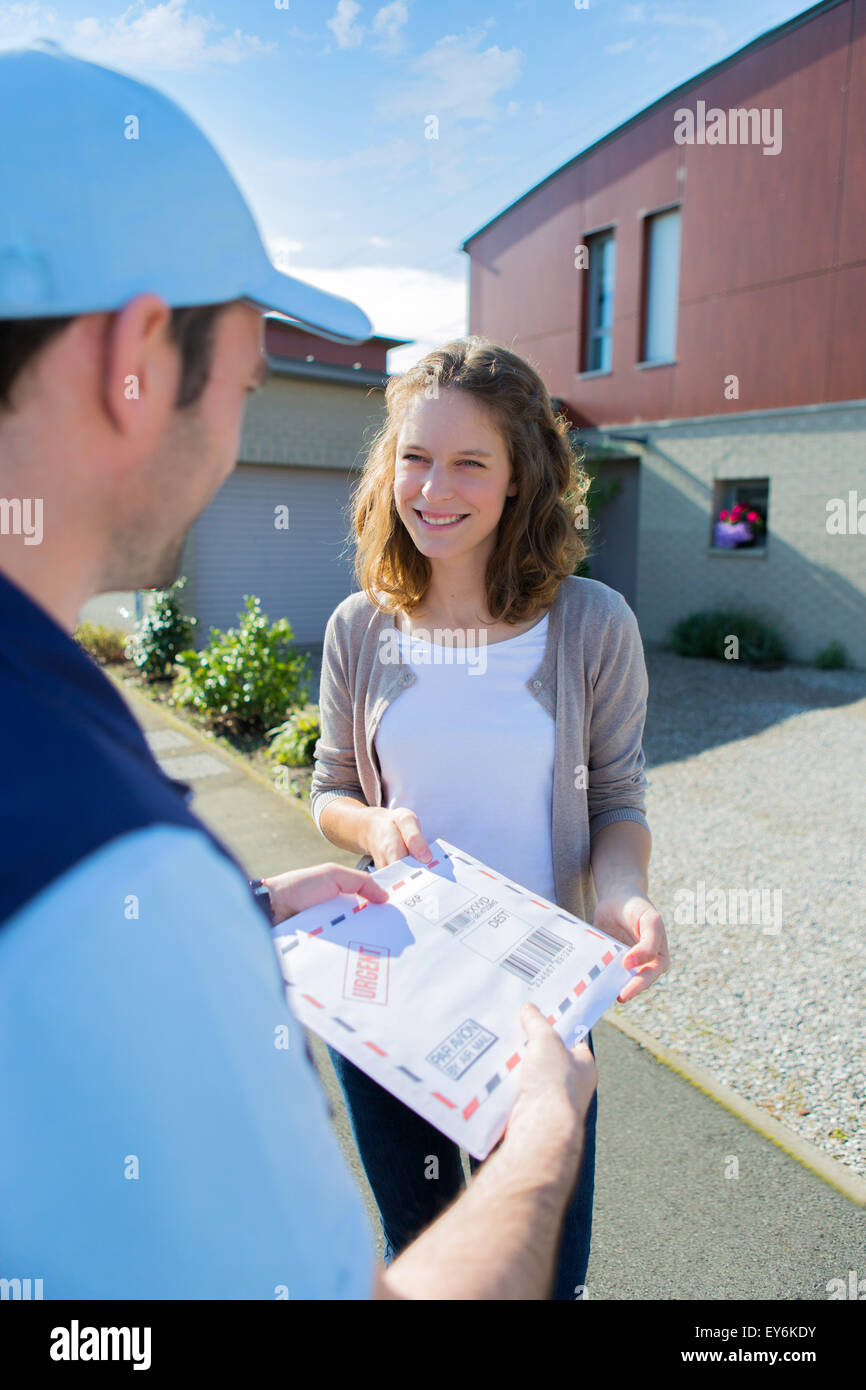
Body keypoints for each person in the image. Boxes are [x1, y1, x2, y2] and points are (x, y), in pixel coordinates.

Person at [0, 42, 600, 1300]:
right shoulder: (98, 856)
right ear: (136, 356)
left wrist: (227, 917)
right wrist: (542, 1139)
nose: (235, 434)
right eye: (249, 378)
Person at [311, 337, 671, 1299]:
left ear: (519, 480)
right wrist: (373, 830)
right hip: (389, 995)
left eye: (470, 461)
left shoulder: (593, 626)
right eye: (416, 457)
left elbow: (618, 795)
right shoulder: (360, 626)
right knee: (421, 1261)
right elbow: (332, 789)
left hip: (539, 1005)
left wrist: (624, 895)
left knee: (543, 1280)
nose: (434, 487)